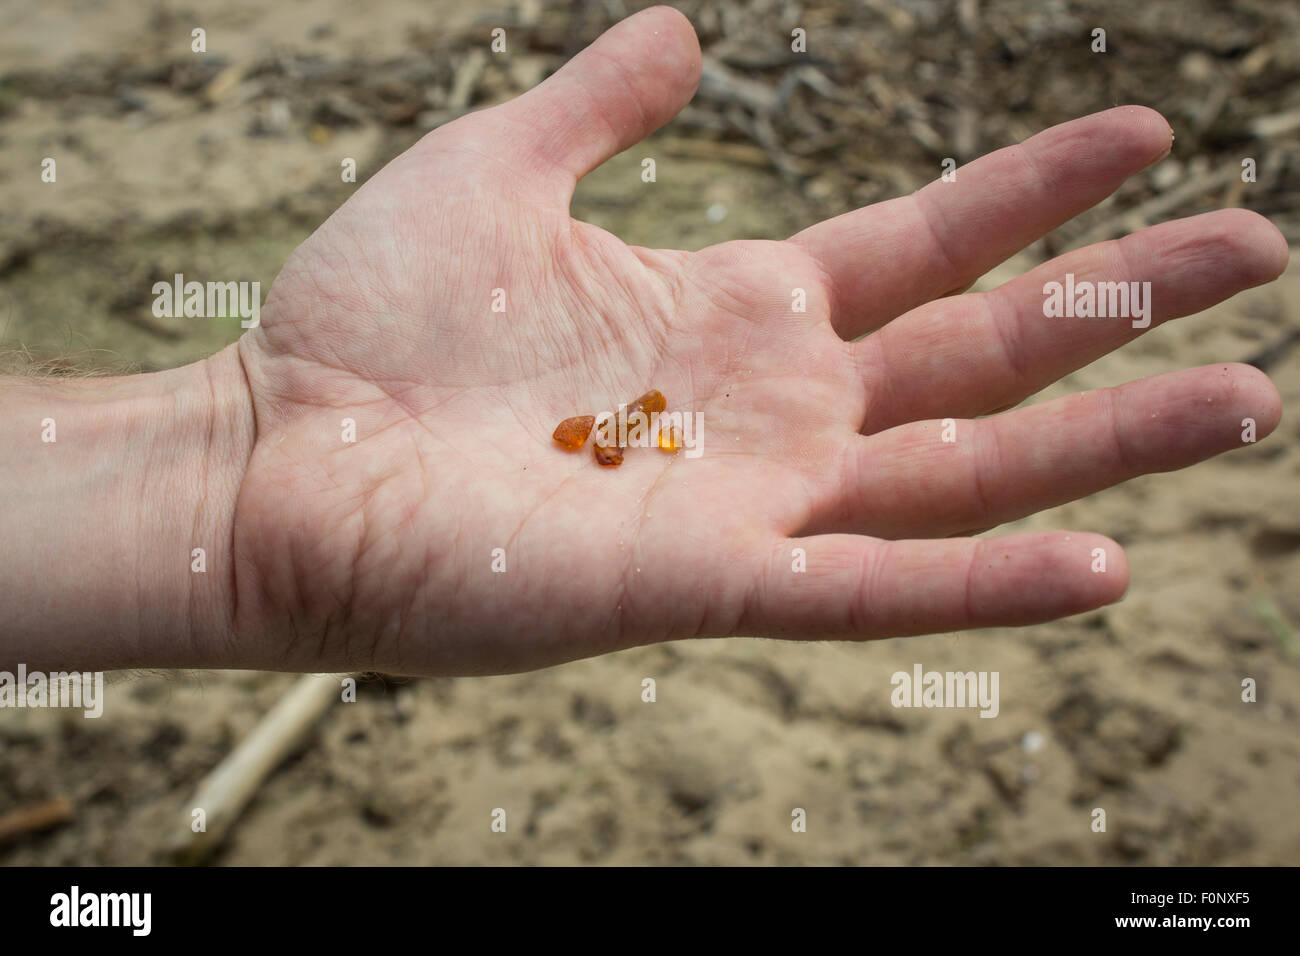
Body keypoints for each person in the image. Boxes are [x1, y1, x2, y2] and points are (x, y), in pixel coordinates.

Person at [1, 6, 1286, 676]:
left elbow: (621, 436)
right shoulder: (605, 429)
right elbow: (615, 436)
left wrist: (236, 454)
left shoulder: (625, 432)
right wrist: (237, 453)